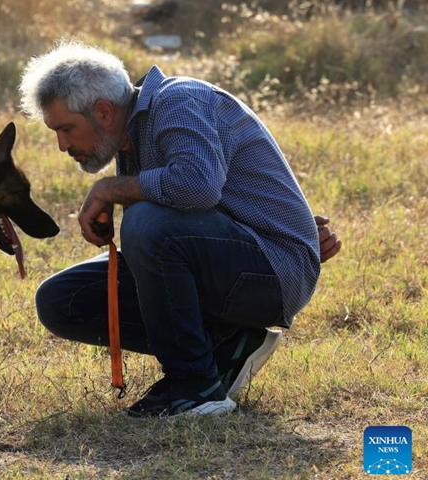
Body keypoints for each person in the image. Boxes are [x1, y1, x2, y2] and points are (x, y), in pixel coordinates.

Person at [19, 41, 342, 417]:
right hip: (235, 259)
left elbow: (196, 185)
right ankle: (228, 342)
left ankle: (195, 387)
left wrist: (111, 189)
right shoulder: (131, 134)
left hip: (272, 270)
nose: (62, 145)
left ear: (103, 111)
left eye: (67, 129)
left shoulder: (178, 100)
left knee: (146, 224)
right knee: (62, 300)